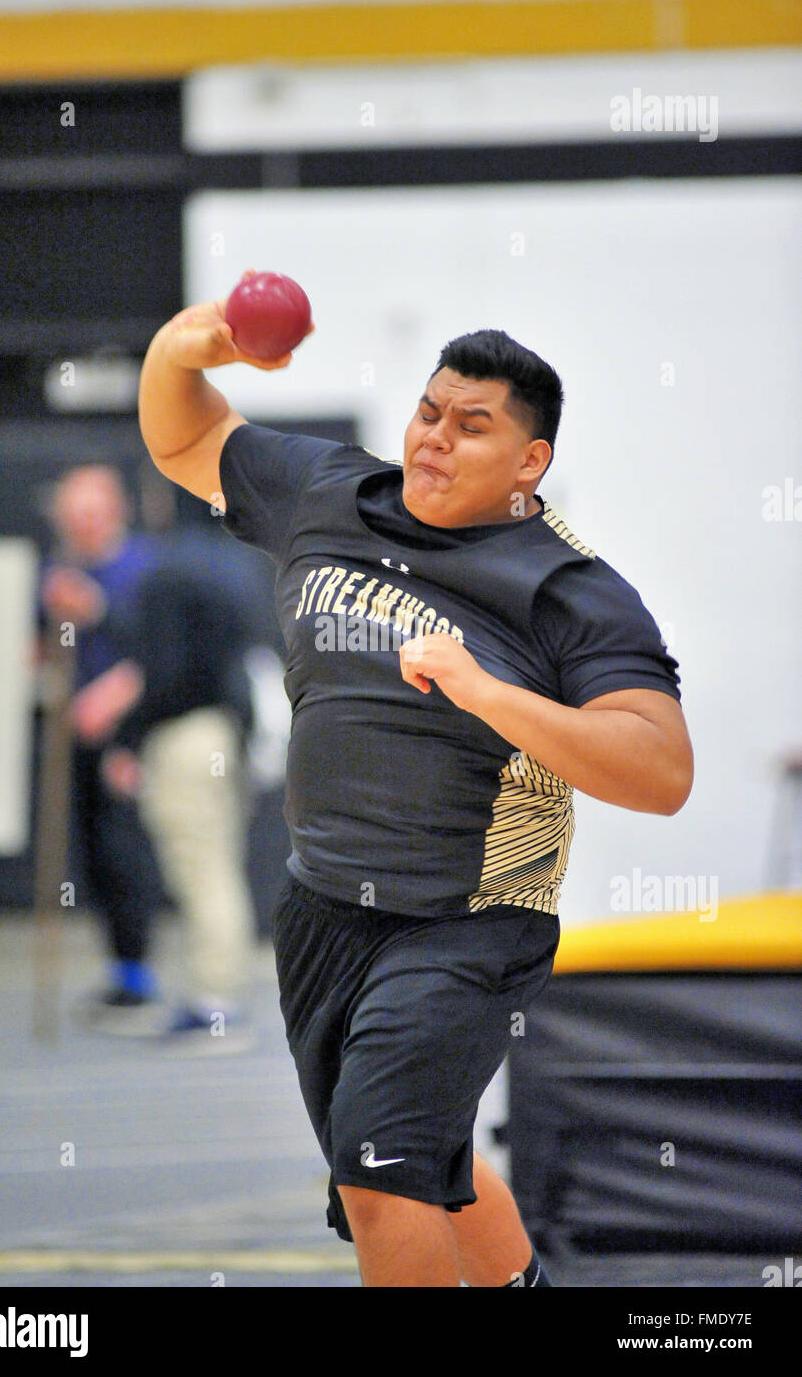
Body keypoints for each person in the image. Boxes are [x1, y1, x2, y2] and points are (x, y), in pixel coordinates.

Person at [137, 295, 694, 1288]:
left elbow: (658, 772)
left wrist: (489, 693)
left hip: (467, 920)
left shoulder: (565, 588)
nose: (436, 437)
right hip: (320, 909)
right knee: (412, 1162)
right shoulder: (324, 490)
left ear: (529, 463)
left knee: (382, 1177)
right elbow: (187, 436)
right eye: (430, 411)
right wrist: (182, 350)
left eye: (472, 425)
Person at [71, 524, 270, 1043]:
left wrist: (128, 741)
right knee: (215, 865)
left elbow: (164, 676)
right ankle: (216, 998)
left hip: (185, 742)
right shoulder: (233, 571)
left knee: (201, 870)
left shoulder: (167, 580)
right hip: (223, 735)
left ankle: (215, 1006)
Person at [41, 464, 165, 1029]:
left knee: (124, 853)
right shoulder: (61, 571)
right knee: (91, 852)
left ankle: (140, 975)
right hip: (76, 739)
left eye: (87, 516)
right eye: (70, 519)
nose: (79, 528)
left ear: (114, 512)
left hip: (129, 735)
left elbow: (157, 655)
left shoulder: (141, 570)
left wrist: (111, 701)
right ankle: (121, 972)